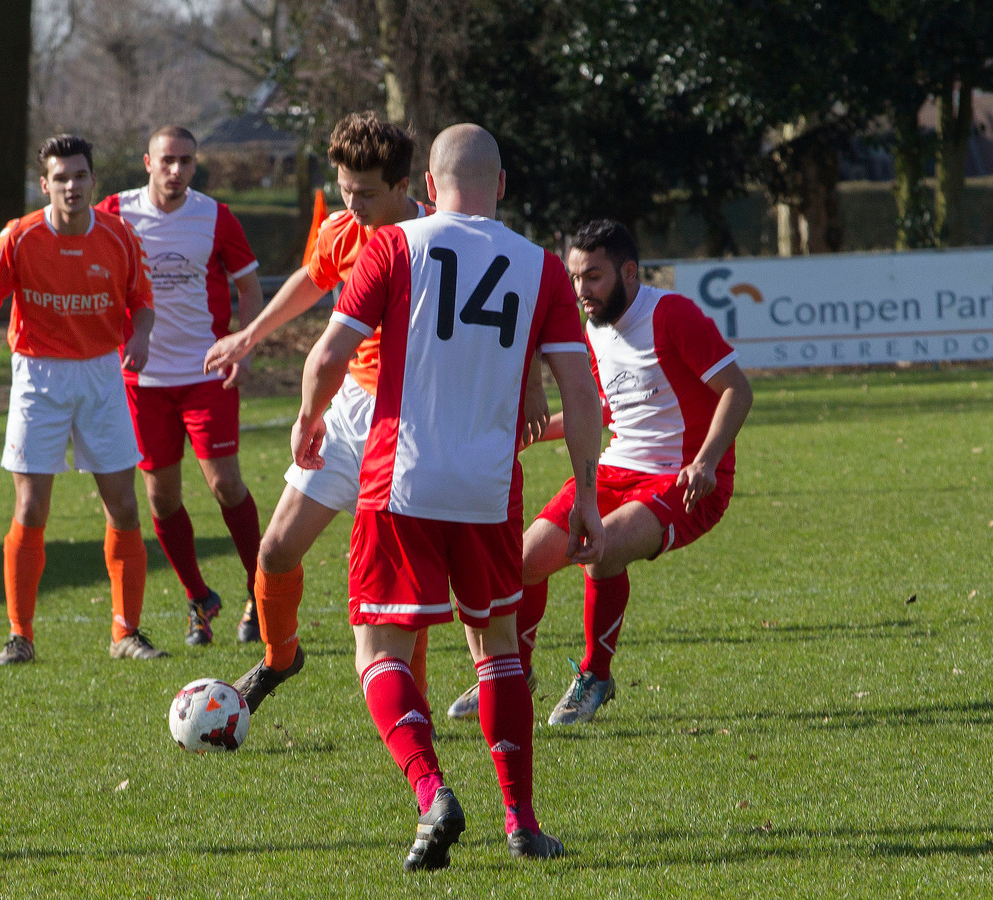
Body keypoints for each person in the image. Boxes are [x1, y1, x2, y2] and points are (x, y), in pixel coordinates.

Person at [294, 123, 605, 869]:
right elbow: (581, 391)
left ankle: (432, 792)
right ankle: (522, 822)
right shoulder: (540, 267)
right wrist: (587, 493)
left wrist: (308, 421)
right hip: (491, 487)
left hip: (401, 478)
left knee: (379, 646)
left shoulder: (394, 247)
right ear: (500, 185)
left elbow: (330, 353)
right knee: (497, 650)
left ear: (428, 186)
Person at [205, 111, 549, 711]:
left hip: (422, 419)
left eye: (366, 193)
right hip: (351, 409)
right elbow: (312, 280)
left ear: (405, 186)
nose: (353, 204)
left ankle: (443, 698)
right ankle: (278, 658)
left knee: (411, 590)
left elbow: (503, 314)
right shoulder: (343, 230)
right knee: (276, 549)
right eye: (343, 189)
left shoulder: (440, 234)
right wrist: (251, 334)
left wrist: (530, 384)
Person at [446, 218, 753, 725]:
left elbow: (736, 390)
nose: (581, 291)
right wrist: (522, 434)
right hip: (613, 471)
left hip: (684, 482)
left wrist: (706, 461)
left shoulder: (671, 314)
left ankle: (595, 676)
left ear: (629, 272)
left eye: (593, 277)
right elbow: (605, 413)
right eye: (575, 278)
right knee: (522, 561)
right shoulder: (592, 329)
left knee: (600, 547)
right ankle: (512, 674)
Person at [0, 134, 164, 665]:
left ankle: (125, 633)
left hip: (101, 375)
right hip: (39, 379)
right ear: (45, 184)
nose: (71, 185)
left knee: (124, 504)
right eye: (60, 178)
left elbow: (143, 303)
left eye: (80, 176)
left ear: (94, 181)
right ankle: (20, 636)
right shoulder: (20, 237)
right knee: (31, 505)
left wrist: (139, 337)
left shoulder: (118, 236)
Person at [96, 125, 265, 647]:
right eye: (167, 160)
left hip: (206, 372)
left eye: (186, 161)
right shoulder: (114, 213)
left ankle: (262, 592)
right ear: (147, 162)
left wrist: (245, 344)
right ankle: (199, 598)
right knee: (160, 497)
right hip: (141, 380)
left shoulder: (215, 215)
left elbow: (249, 287)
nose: (176, 170)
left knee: (225, 484)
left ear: (195, 165)